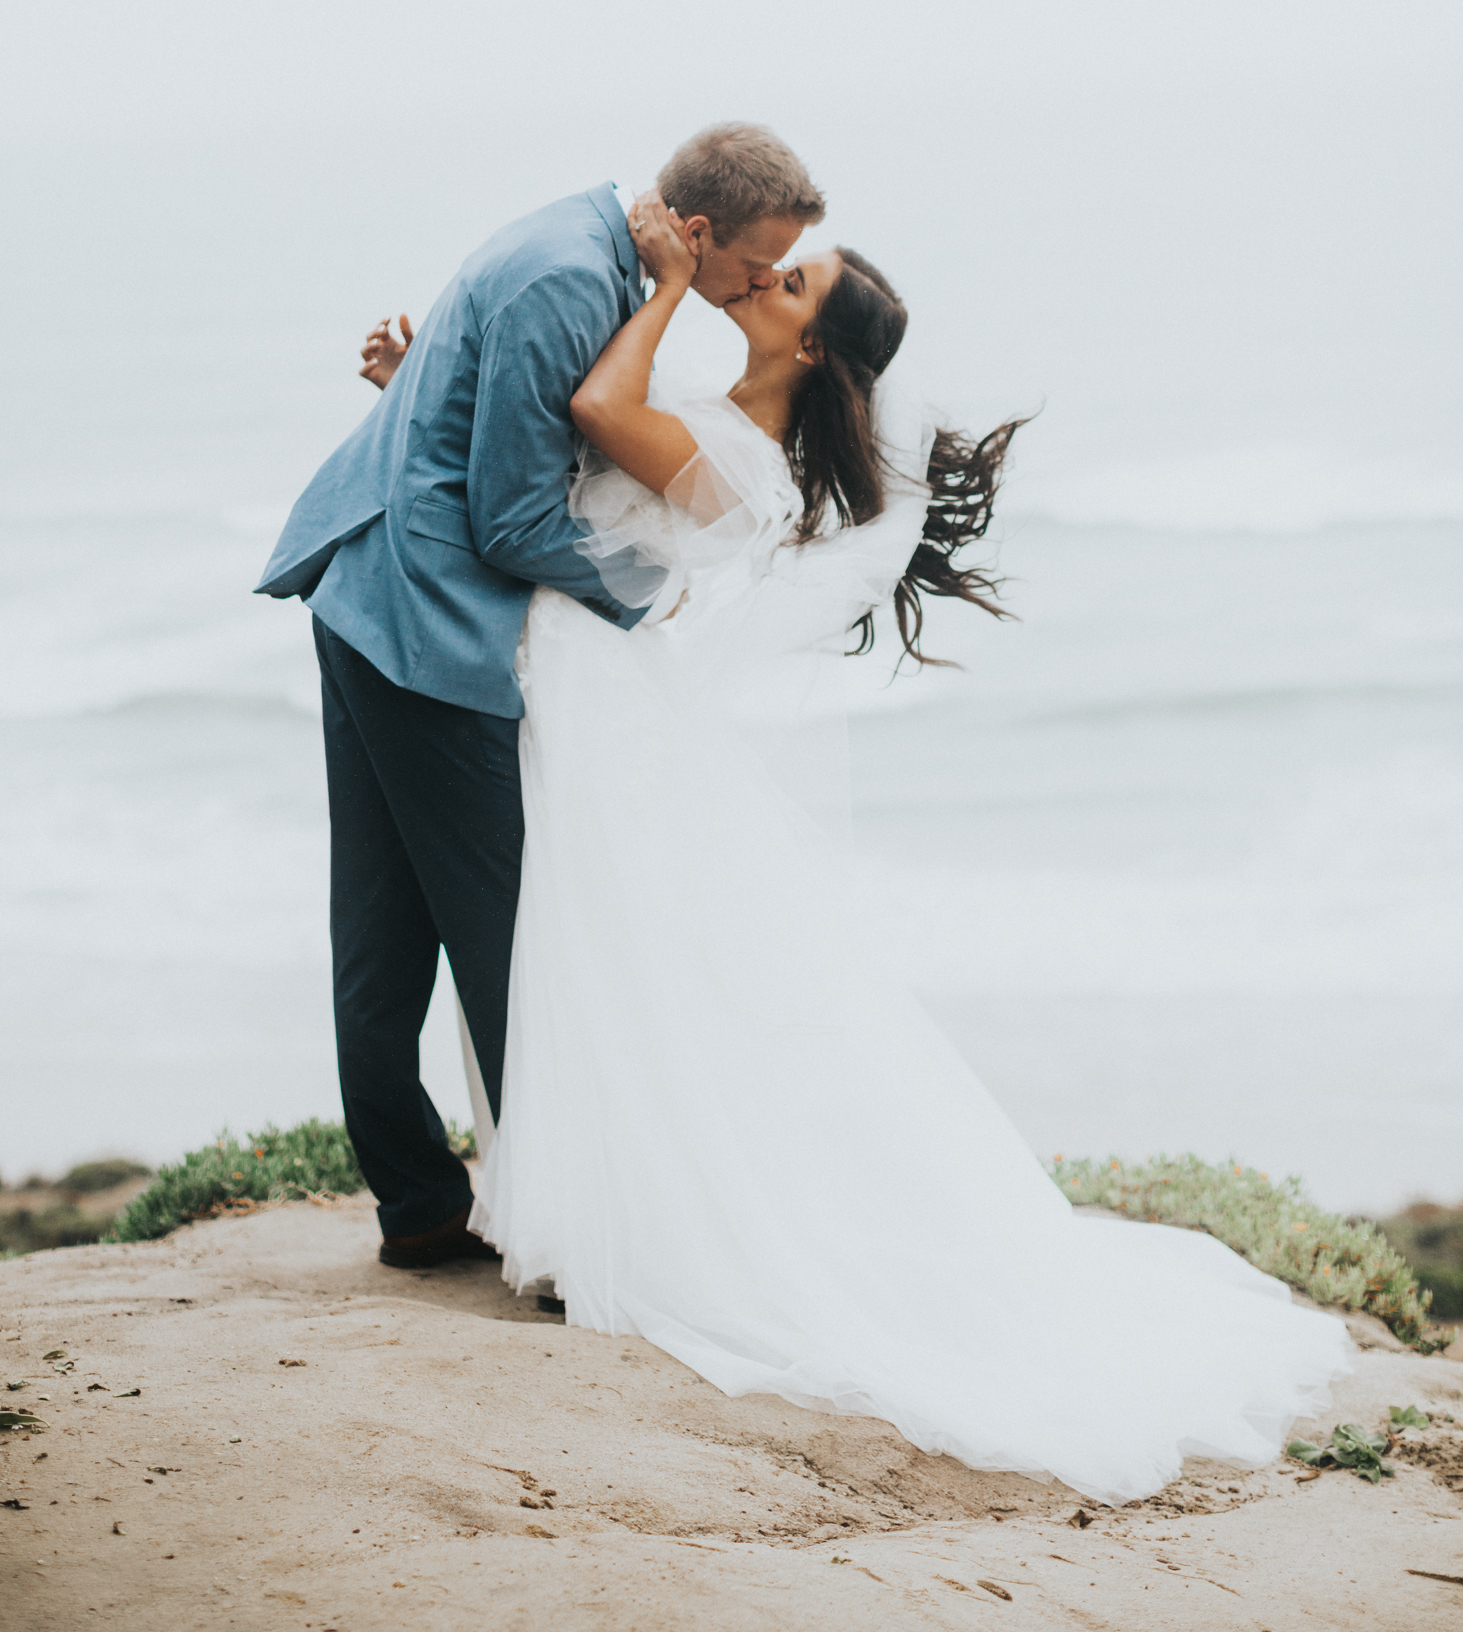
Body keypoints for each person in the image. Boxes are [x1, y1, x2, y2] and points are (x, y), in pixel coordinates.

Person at [365, 192, 1350, 1504]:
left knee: (594, 963)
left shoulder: (740, 472)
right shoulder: (722, 423)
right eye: (768, 266)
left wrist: (660, 283)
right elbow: (559, 455)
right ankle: (551, 1198)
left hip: (586, 703)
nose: (760, 279)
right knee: (594, 962)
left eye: (785, 285)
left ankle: (596, 1216)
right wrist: (426, 377)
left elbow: (600, 421)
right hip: (573, 695)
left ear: (811, 349)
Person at [255, 123, 826, 1268]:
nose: (758, 284)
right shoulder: (571, 276)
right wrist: (636, 605)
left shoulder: (577, 247)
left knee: (380, 928)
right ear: (695, 231)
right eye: (756, 262)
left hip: (371, 597)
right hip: (423, 626)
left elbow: (484, 424)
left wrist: (405, 389)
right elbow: (509, 518)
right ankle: (571, 1237)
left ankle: (420, 1205)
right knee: (504, 936)